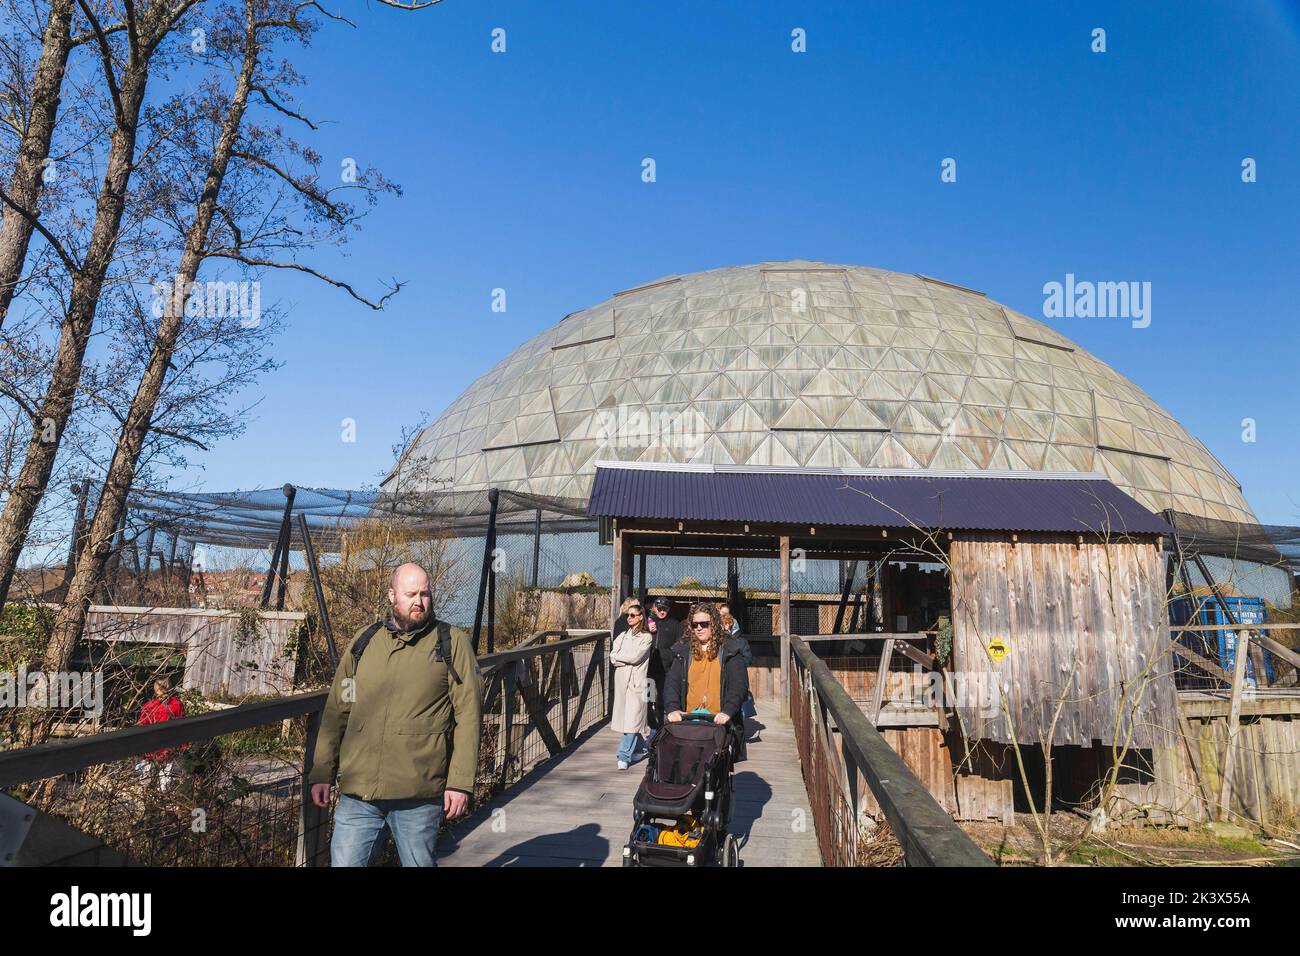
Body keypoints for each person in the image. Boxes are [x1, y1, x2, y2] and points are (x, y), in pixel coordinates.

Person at [308, 562, 483, 867]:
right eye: (411, 593)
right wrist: (322, 772)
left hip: (418, 794)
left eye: (425, 594)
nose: (419, 601)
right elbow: (339, 709)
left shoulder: (451, 643)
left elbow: (468, 715)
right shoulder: (365, 642)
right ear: (392, 595)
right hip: (358, 794)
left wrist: (460, 782)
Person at [663, 602, 749, 762]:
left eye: (704, 624)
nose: (699, 628)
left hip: (718, 724)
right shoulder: (682, 651)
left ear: (714, 624)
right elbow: (671, 683)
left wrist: (728, 711)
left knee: (714, 774)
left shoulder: (730, 649)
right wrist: (672, 708)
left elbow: (739, 685)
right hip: (688, 722)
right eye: (695, 624)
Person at [610, 601, 653, 769]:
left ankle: (623, 755)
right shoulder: (622, 635)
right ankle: (643, 746)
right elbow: (613, 656)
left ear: (641, 617)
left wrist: (620, 657)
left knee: (632, 719)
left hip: (637, 683)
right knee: (629, 720)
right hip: (622, 682)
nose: (629, 618)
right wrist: (621, 657)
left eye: (633, 615)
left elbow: (636, 657)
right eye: (628, 615)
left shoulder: (646, 637)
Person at [136, 677, 186, 791]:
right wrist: (183, 746)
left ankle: (147, 801)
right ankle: (161, 802)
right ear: (169, 688)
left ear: (155, 689)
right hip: (170, 748)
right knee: (165, 783)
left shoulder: (148, 707)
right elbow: (183, 728)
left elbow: (141, 729)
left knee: (146, 782)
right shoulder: (177, 705)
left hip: (151, 749)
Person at [718, 602, 759, 723]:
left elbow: (748, 659)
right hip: (721, 678)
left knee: (735, 709)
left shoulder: (740, 641)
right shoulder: (718, 641)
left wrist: (737, 665)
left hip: (735, 676)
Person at [646, 597, 681, 727]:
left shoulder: (674, 624)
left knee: (662, 697)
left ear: (669, 609)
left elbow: (679, 643)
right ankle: (651, 725)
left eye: (664, 609)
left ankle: (662, 725)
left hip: (666, 669)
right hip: (649, 668)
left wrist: (671, 656)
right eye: (659, 609)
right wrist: (647, 626)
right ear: (655, 608)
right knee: (647, 699)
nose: (662, 612)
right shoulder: (648, 622)